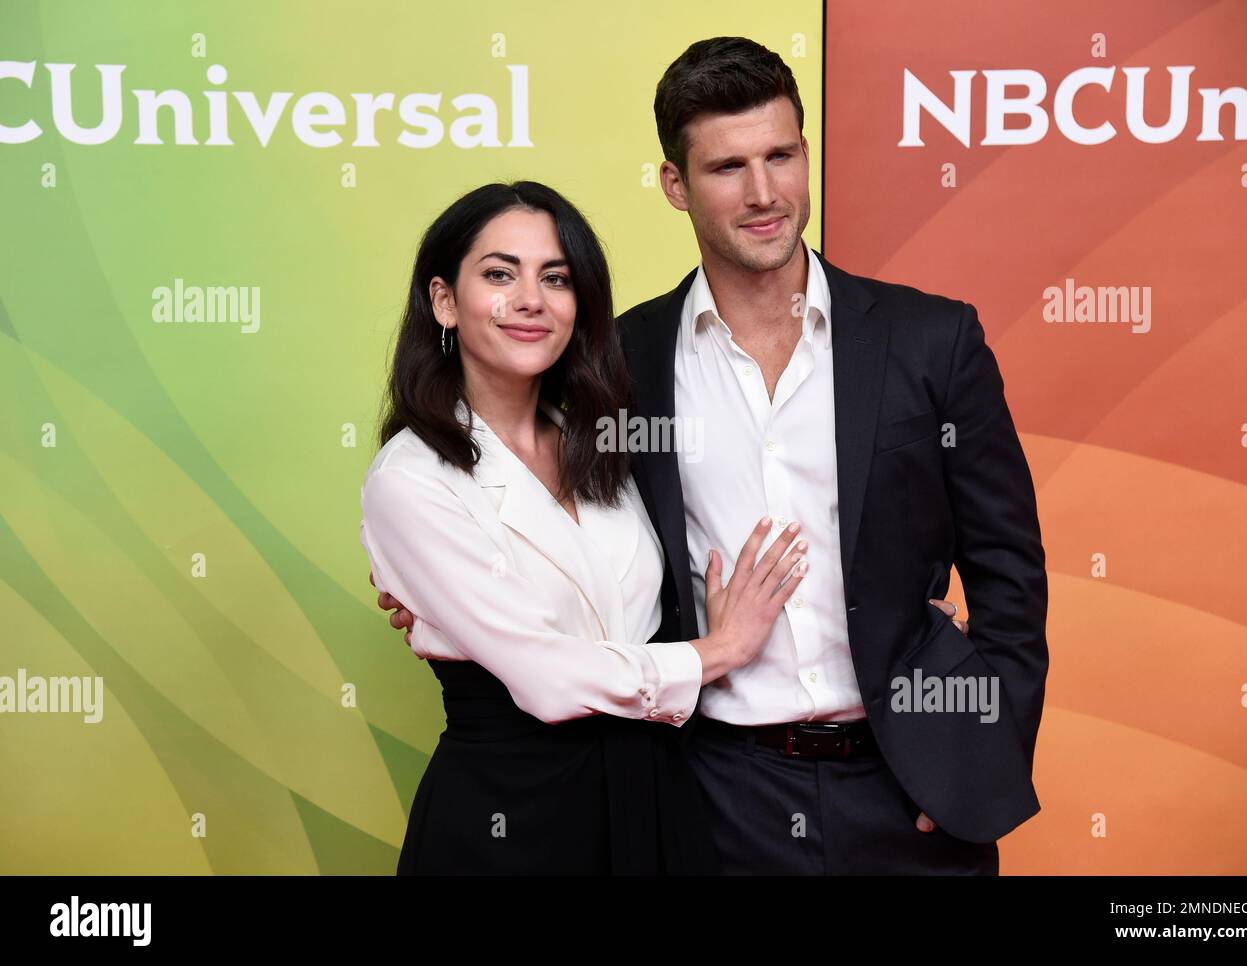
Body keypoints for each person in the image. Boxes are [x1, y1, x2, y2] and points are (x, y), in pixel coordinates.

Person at [381, 37, 1048, 875]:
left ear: (808, 157)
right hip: (712, 796)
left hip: (909, 782)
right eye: (728, 167)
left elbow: (1010, 571)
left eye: (782, 155)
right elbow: (525, 507)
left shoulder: (930, 341)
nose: (764, 192)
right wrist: (433, 597)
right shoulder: (617, 364)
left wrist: (979, 757)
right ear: (675, 186)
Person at [359, 180, 811, 874]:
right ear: (444, 300)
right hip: (510, 814)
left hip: (652, 796)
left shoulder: (600, 444)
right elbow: (547, 677)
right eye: (500, 274)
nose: (531, 299)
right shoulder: (411, 477)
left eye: (556, 278)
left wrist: (911, 616)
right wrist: (718, 650)